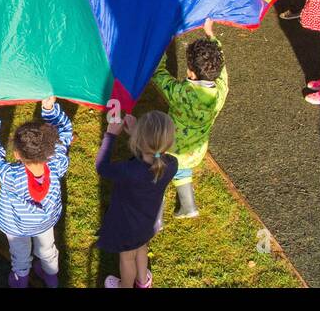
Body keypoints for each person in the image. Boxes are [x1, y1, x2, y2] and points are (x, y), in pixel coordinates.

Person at [0, 97, 72, 288]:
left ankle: (21, 280)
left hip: (16, 228)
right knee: (47, 250)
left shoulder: (9, 175)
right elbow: (63, 134)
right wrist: (49, 108)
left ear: (17, 154)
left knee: (20, 255)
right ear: (49, 148)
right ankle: (51, 278)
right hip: (45, 222)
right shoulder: (58, 163)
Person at [152, 19, 227, 219]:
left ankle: (154, 218)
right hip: (195, 152)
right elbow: (223, 67)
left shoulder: (182, 93)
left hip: (170, 150)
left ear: (191, 73)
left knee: (157, 177)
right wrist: (212, 36)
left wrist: (158, 50)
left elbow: (159, 76)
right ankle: (188, 206)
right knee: (182, 171)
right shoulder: (221, 90)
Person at [95, 110, 177, 289]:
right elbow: (153, 157)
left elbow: (102, 167)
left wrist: (110, 136)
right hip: (148, 221)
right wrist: (138, 137)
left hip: (127, 225)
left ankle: (125, 286)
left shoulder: (129, 170)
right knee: (142, 247)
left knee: (127, 258)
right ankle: (143, 281)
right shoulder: (172, 164)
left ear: (140, 140)